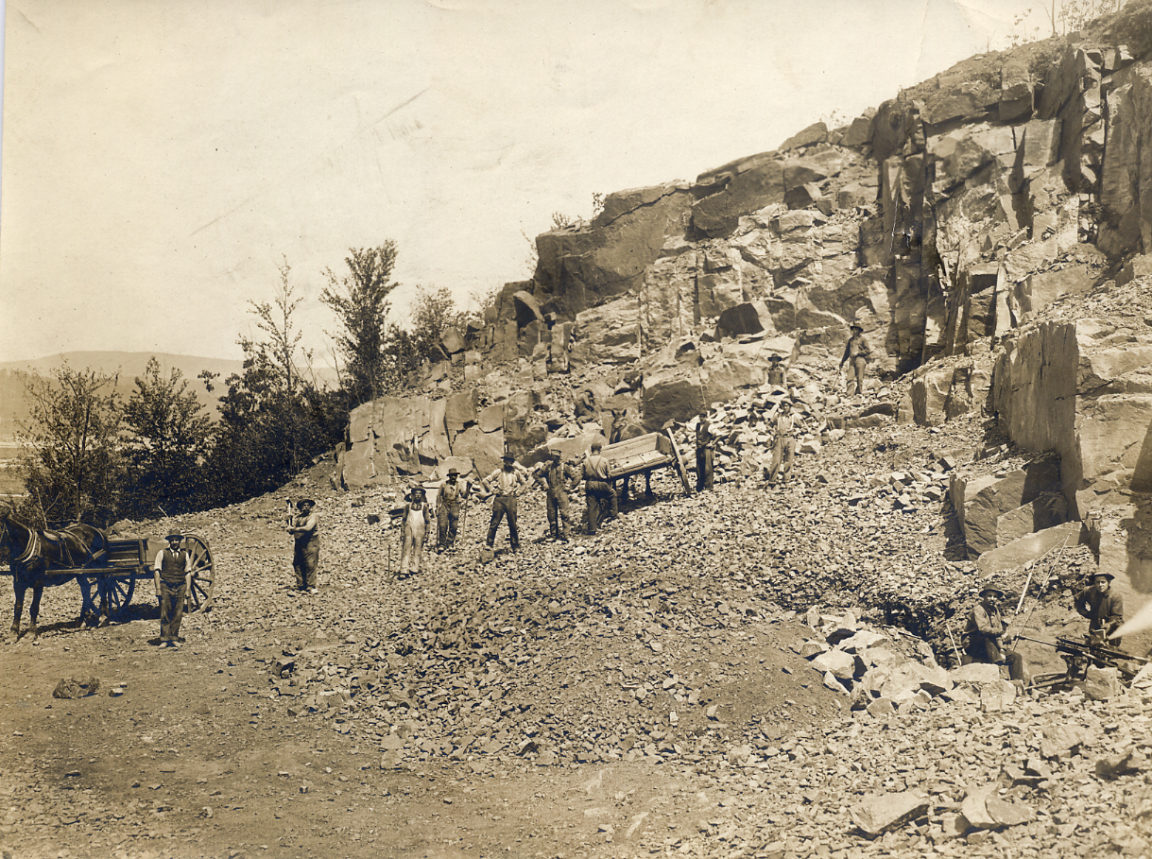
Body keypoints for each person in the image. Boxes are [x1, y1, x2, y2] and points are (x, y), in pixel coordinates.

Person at [963, 586, 1023, 678]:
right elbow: (983, 629)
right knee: (985, 635)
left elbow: (997, 631)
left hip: (991, 644)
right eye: (989, 596)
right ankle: (996, 663)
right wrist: (1001, 632)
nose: (992, 599)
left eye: (995, 596)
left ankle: (1018, 684)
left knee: (1016, 657)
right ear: (984, 596)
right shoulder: (978, 609)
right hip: (973, 643)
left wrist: (1002, 649)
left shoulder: (995, 611)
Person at [479, 453, 531, 552]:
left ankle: (515, 545)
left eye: (510, 461)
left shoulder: (516, 473)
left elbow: (524, 483)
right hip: (499, 499)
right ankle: (489, 544)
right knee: (494, 522)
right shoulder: (498, 472)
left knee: (512, 523)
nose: (508, 463)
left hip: (511, 499)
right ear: (504, 462)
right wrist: (492, 490)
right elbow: (485, 481)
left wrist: (519, 492)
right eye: (506, 461)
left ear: (512, 462)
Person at [152, 533, 192, 647]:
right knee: (165, 611)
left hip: (180, 586)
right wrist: (158, 588)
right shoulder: (162, 553)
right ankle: (164, 639)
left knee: (178, 612)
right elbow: (157, 571)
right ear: (169, 541)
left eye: (177, 540)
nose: (174, 542)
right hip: (166, 586)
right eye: (172, 540)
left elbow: (188, 572)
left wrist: (188, 589)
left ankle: (174, 638)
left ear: (180, 541)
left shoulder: (185, 555)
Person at [536, 449, 579, 541]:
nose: (553, 458)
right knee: (551, 514)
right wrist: (544, 483)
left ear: (559, 457)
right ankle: (554, 535)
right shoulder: (548, 466)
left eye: (555, 457)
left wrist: (570, 488)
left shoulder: (565, 467)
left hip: (562, 493)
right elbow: (537, 475)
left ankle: (566, 534)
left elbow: (576, 477)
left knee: (564, 514)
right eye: (552, 456)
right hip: (551, 492)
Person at [1075, 571, 1125, 648]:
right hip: (1096, 624)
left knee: (1109, 650)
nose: (1100, 585)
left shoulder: (1116, 596)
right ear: (1094, 583)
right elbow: (1078, 602)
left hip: (1113, 626)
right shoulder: (1089, 591)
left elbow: (1116, 616)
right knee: (1091, 647)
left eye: (1103, 582)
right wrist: (1088, 614)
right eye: (1097, 582)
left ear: (1108, 583)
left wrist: (1109, 624)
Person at [582, 440, 618, 534]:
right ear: (600, 450)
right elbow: (609, 475)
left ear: (591, 450)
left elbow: (582, 475)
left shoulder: (585, 461)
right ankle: (613, 514)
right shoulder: (604, 460)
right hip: (602, 485)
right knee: (612, 494)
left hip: (590, 484)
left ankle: (592, 529)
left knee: (591, 506)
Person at [288, 498, 320, 594]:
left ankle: (311, 585)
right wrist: (288, 524)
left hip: (311, 543)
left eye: (308, 505)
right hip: (299, 543)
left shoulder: (313, 517)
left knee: (310, 564)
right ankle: (300, 585)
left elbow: (308, 528)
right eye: (304, 505)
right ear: (300, 507)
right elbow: (291, 530)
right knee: (297, 563)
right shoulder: (298, 517)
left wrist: (294, 529)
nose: (306, 507)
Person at [399, 485, 429, 576]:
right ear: (412, 495)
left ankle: (414, 568)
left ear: (422, 496)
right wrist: (402, 532)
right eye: (416, 494)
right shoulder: (408, 506)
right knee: (406, 548)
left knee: (418, 548)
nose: (418, 496)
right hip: (409, 529)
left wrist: (427, 533)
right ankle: (404, 569)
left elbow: (427, 521)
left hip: (420, 530)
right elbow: (404, 520)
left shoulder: (424, 507)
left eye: (420, 494)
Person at [435, 468, 468, 552]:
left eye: (455, 475)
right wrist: (438, 506)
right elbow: (439, 496)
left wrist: (468, 488)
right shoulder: (443, 484)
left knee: (454, 525)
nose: (454, 477)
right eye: (452, 475)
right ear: (449, 476)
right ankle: (442, 544)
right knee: (442, 525)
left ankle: (449, 543)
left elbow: (464, 495)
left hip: (455, 505)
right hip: (444, 505)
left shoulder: (459, 485)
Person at [767, 401, 797, 485]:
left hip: (790, 438)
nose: (785, 407)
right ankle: (772, 480)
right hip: (779, 438)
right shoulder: (778, 416)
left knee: (789, 460)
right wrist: (773, 432)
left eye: (787, 406)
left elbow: (804, 427)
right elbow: (769, 425)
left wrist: (795, 431)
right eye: (784, 406)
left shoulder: (794, 417)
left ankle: (786, 480)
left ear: (790, 407)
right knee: (776, 460)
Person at [839, 323, 872, 396]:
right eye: (853, 329)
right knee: (850, 378)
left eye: (855, 329)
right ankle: (849, 394)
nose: (853, 331)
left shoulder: (863, 339)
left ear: (858, 330)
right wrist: (842, 362)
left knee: (859, 378)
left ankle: (858, 394)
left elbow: (868, 350)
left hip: (860, 360)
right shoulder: (850, 340)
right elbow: (847, 352)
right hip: (852, 361)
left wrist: (858, 353)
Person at [695, 412, 715, 492]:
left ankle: (709, 487)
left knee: (708, 468)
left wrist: (712, 443)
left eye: (703, 417)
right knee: (699, 468)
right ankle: (700, 487)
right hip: (699, 449)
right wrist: (676, 423)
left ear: (706, 417)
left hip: (706, 449)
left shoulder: (710, 425)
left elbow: (719, 435)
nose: (701, 418)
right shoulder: (697, 425)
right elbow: (687, 427)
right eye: (700, 416)